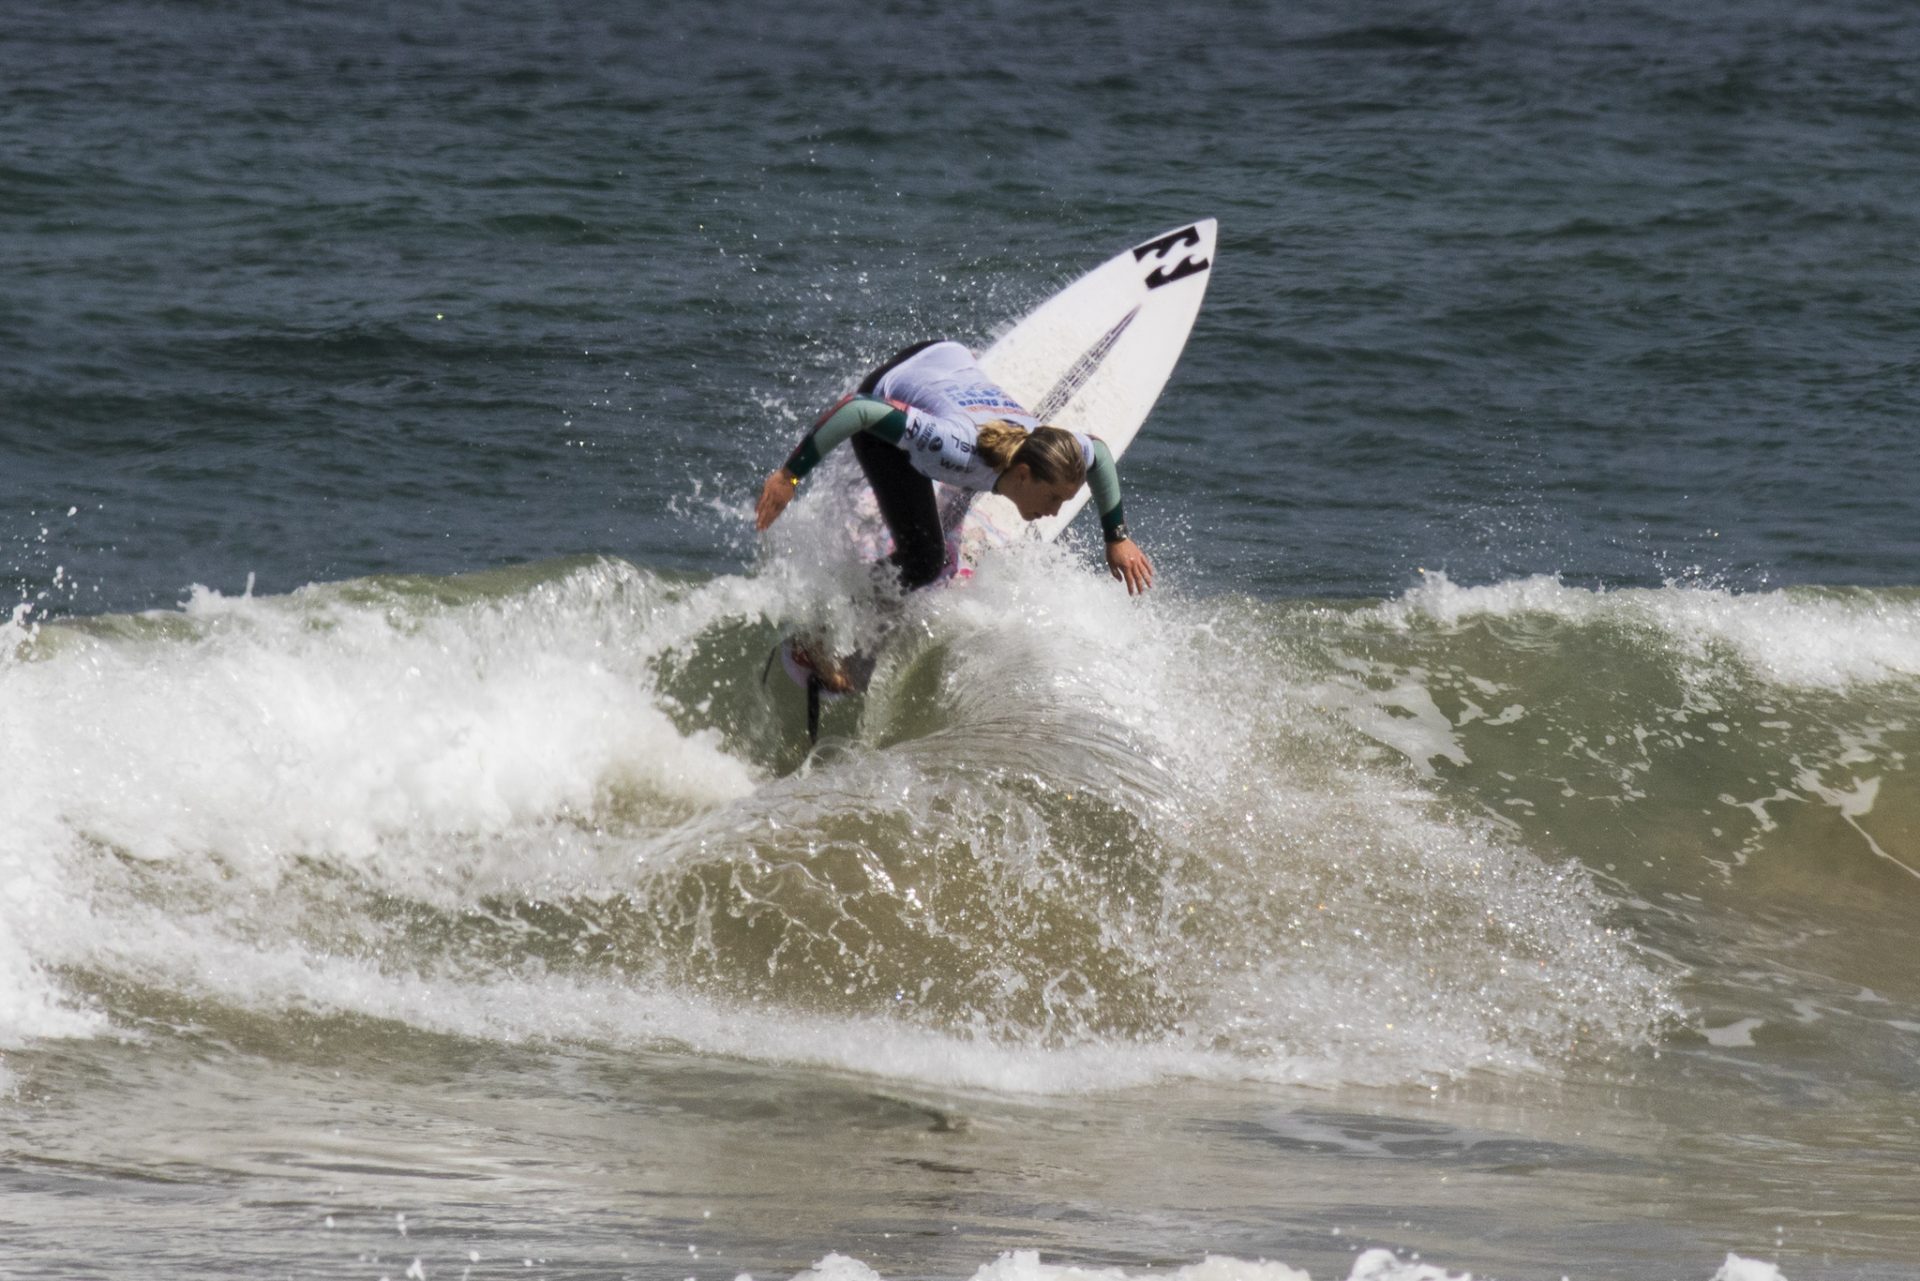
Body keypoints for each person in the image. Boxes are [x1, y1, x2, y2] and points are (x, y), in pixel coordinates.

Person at [754, 340, 1155, 608]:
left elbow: (1098, 452)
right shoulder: (952, 448)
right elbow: (856, 410)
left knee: (945, 524)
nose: (1055, 511)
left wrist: (1116, 537)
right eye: (1053, 498)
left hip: (946, 356)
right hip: (886, 397)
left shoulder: (1049, 446)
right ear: (1023, 475)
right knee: (927, 559)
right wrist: (789, 477)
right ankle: (843, 612)